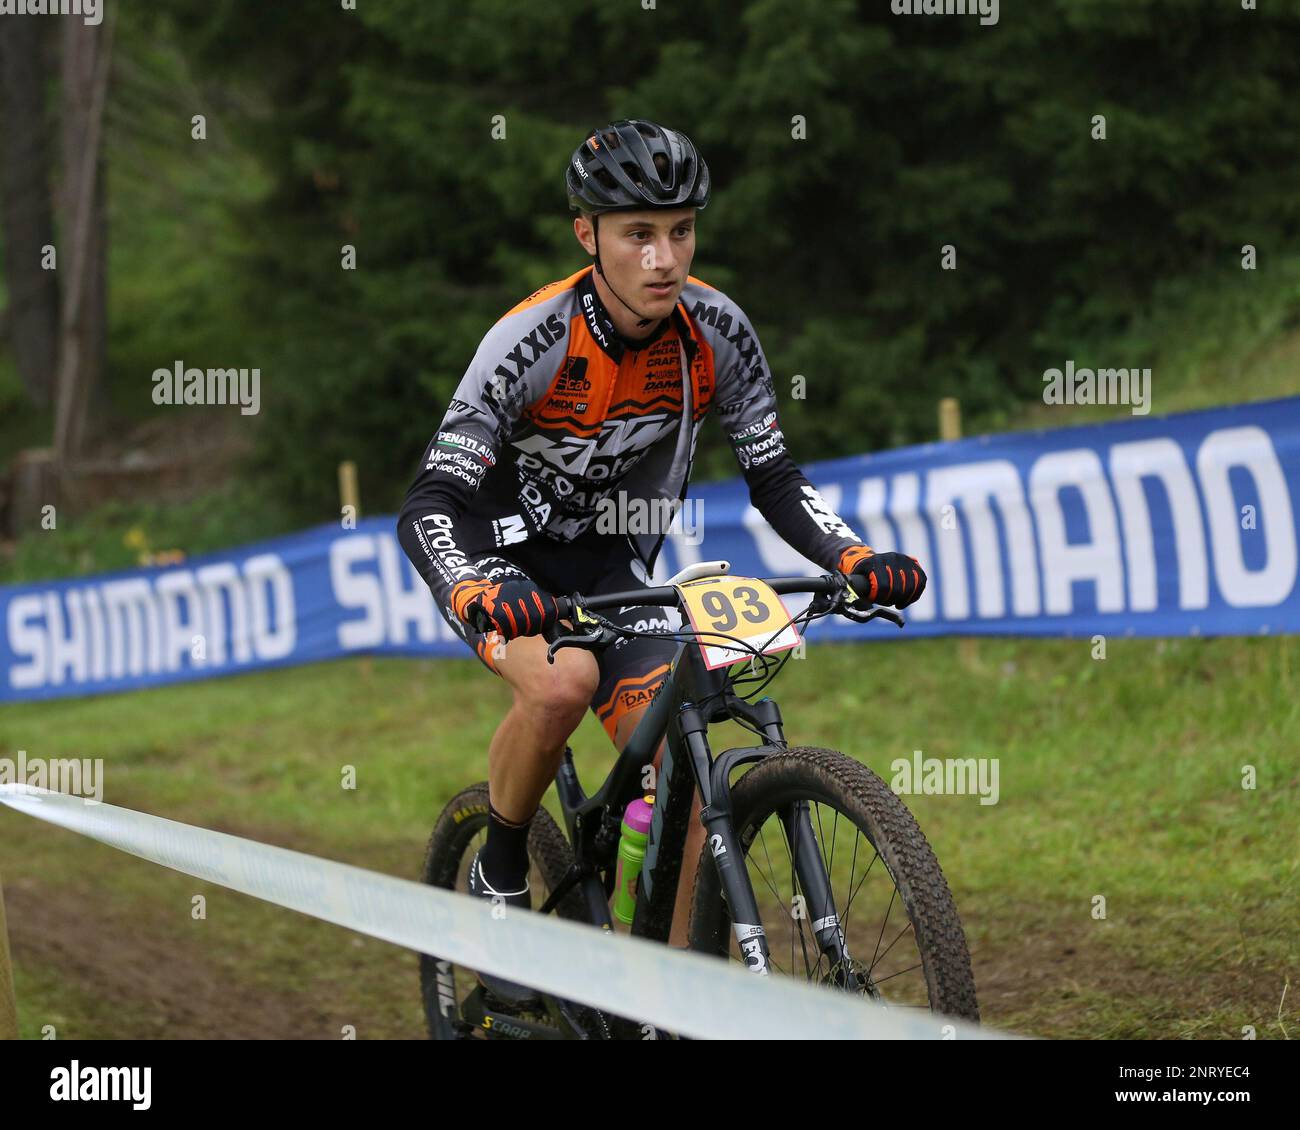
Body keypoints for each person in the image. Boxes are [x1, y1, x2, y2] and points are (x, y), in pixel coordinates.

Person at [397, 118, 926, 1007]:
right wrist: (477, 586)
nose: (663, 256)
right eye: (639, 233)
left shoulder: (718, 331)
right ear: (588, 236)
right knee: (561, 686)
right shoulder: (531, 340)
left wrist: (855, 555)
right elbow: (429, 504)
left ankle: (659, 1000)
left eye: (680, 230)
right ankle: (497, 871)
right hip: (502, 553)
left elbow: (776, 476)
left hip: (610, 565)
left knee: (677, 785)